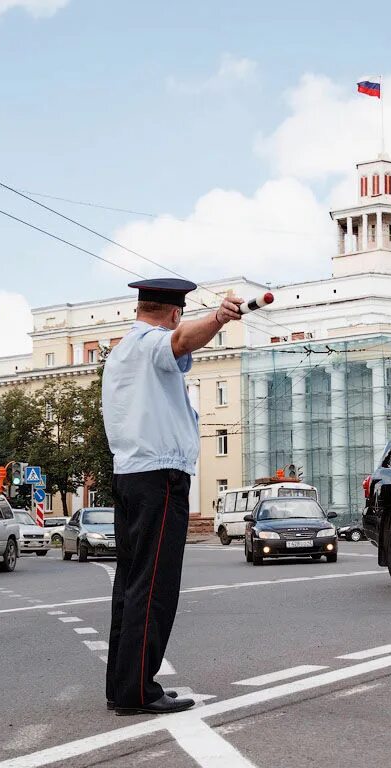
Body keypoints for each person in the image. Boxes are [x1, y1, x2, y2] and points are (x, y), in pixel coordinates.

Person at [102, 278, 243, 715]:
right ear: (174, 312)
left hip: (129, 476)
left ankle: (122, 686)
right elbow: (181, 342)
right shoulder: (153, 344)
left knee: (130, 583)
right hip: (159, 478)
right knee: (154, 586)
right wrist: (220, 317)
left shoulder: (121, 350)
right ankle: (139, 690)